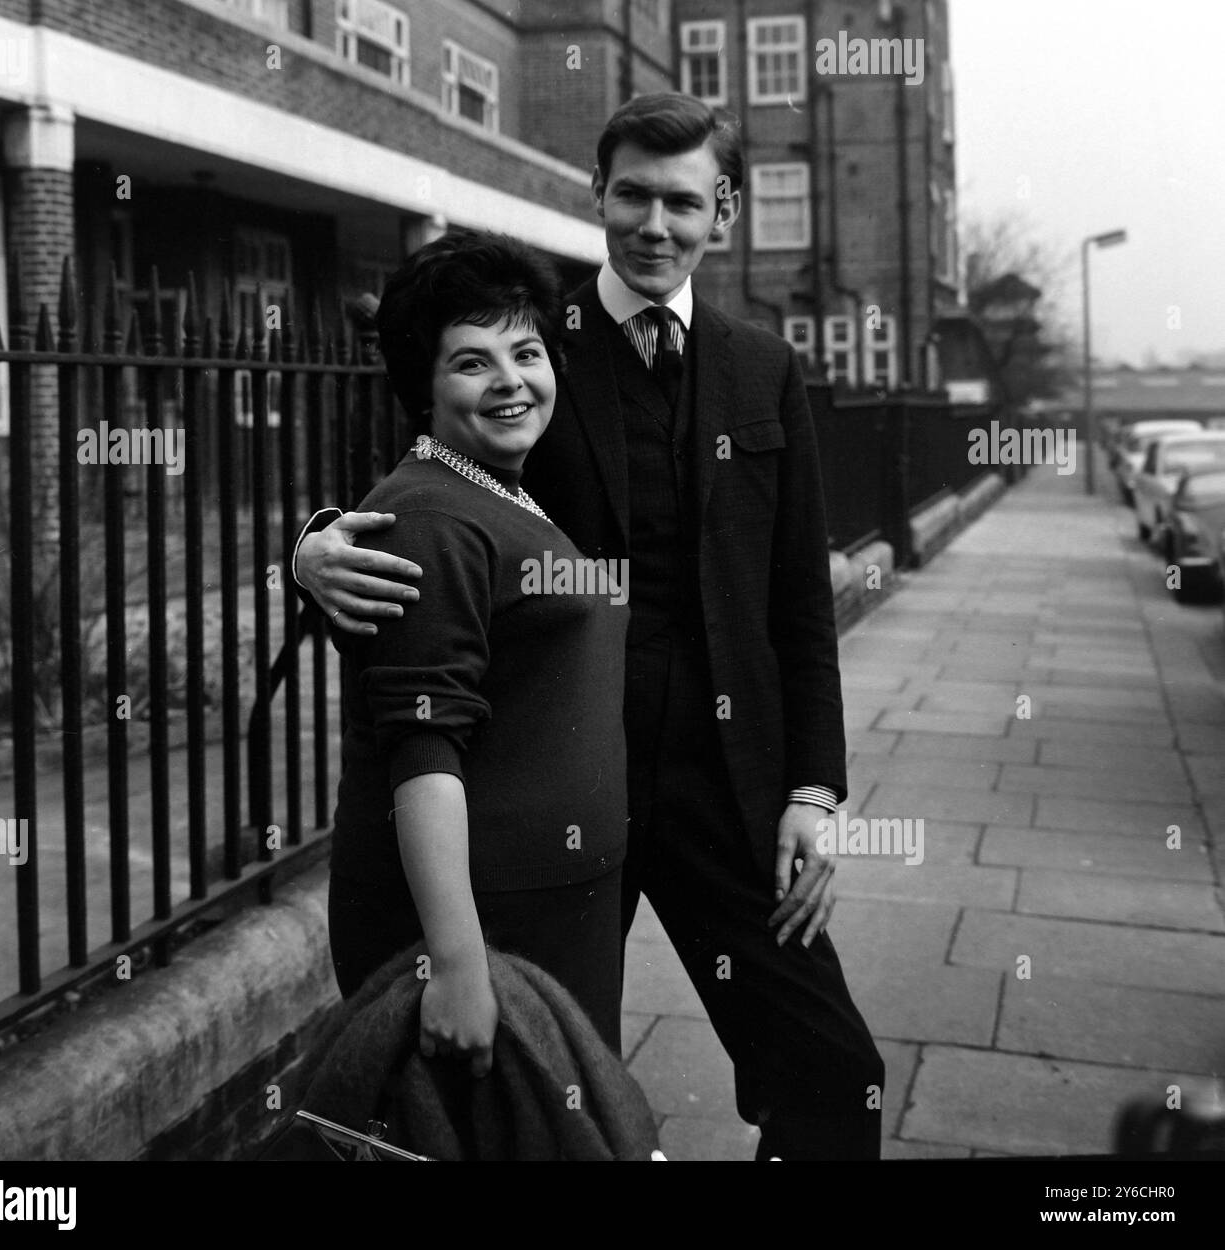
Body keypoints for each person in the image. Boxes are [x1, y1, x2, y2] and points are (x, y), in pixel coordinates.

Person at [295, 93, 884, 1160]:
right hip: (559, 797)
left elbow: (799, 595)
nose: (652, 225)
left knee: (833, 1075)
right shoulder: (531, 346)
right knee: (542, 1092)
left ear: (726, 211)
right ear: (597, 195)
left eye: (681, 201)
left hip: (726, 787)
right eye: (629, 196)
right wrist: (316, 538)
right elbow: (426, 490)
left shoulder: (763, 367)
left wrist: (813, 787)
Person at [324, 228, 629, 1076]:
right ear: (422, 386)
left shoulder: (500, 490)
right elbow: (423, 745)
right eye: (471, 361)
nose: (510, 380)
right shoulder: (431, 516)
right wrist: (454, 965)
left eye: (526, 351)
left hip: (553, 909)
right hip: (486, 926)